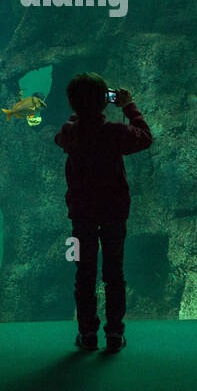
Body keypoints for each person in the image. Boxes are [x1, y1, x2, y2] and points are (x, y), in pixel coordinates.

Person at [54, 73, 153, 353]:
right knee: (114, 273)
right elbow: (145, 137)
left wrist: (75, 119)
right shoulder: (114, 132)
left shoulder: (70, 131)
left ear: (72, 103)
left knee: (84, 273)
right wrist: (128, 106)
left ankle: (87, 333)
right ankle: (114, 333)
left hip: (81, 214)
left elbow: (58, 138)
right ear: (105, 102)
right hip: (113, 212)